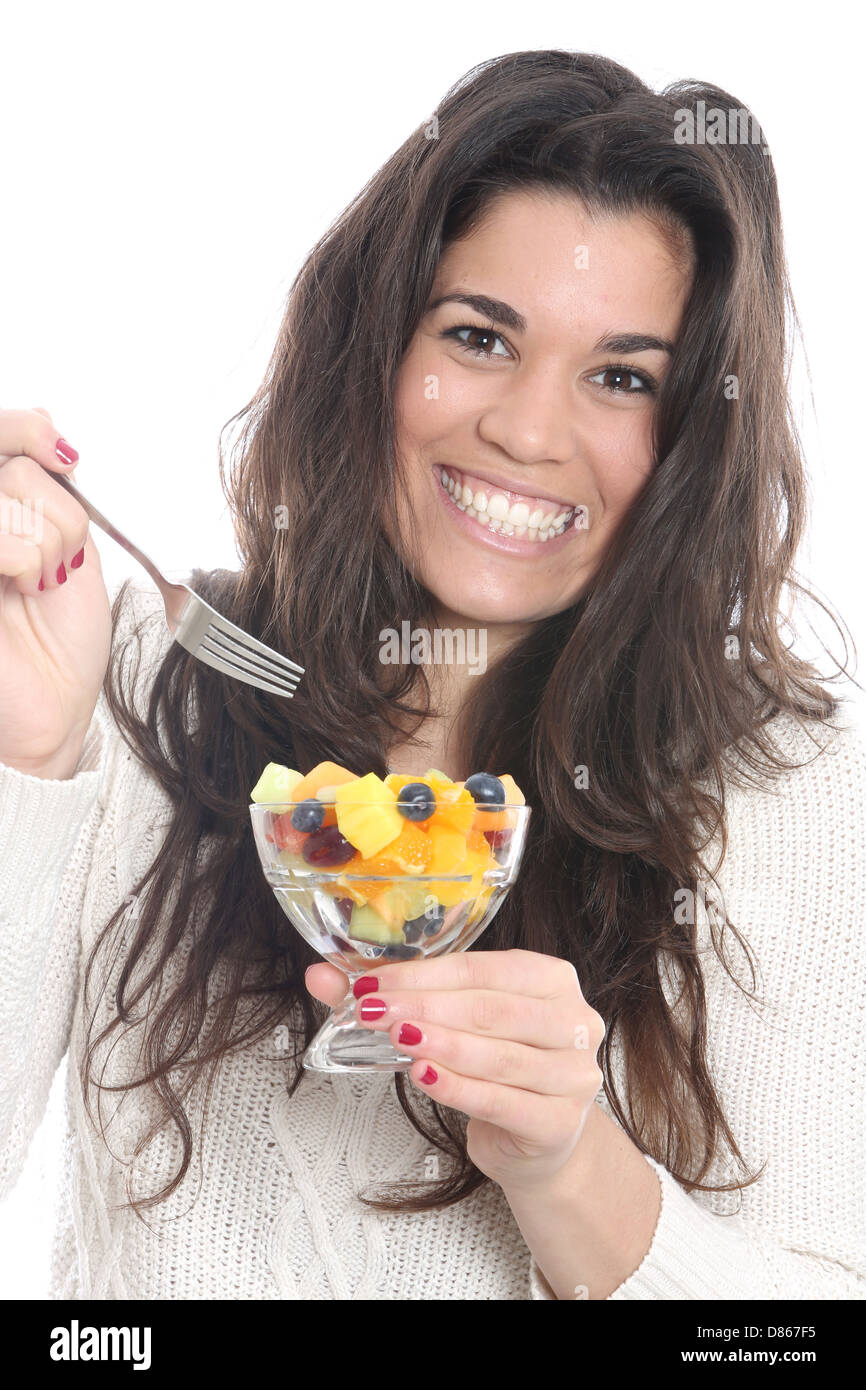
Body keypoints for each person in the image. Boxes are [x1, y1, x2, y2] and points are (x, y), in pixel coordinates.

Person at [1, 49, 863, 1301]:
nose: (525, 430)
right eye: (478, 336)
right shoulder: (135, 675)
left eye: (620, 377)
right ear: (375, 344)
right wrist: (28, 759)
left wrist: (571, 1169)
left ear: (689, 437)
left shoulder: (788, 794)